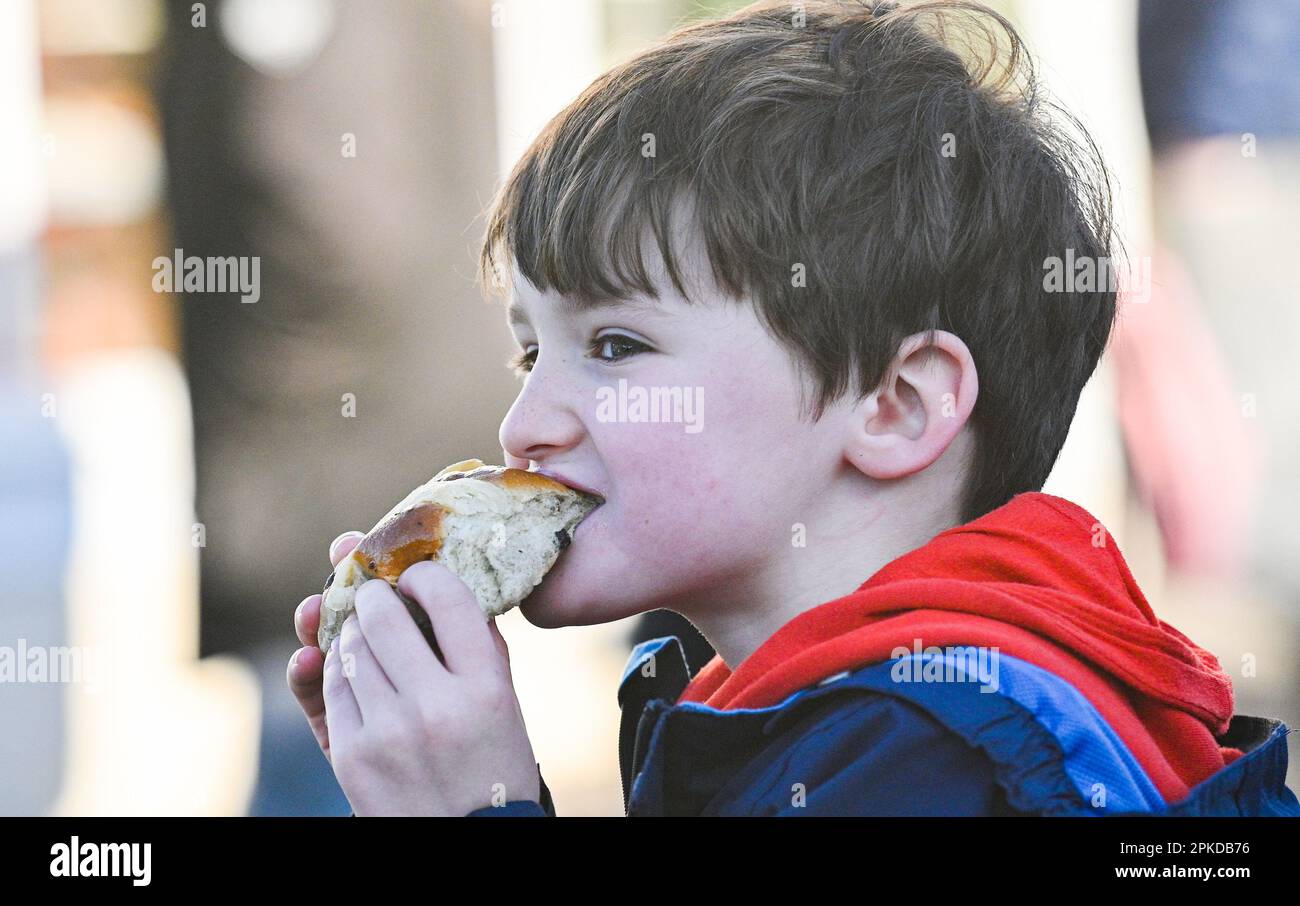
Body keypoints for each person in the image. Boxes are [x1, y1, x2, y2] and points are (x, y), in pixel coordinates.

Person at [285, 0, 1300, 816]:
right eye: (527, 352)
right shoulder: (826, 709)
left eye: (617, 346)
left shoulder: (928, 750)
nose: (524, 428)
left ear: (898, 405)